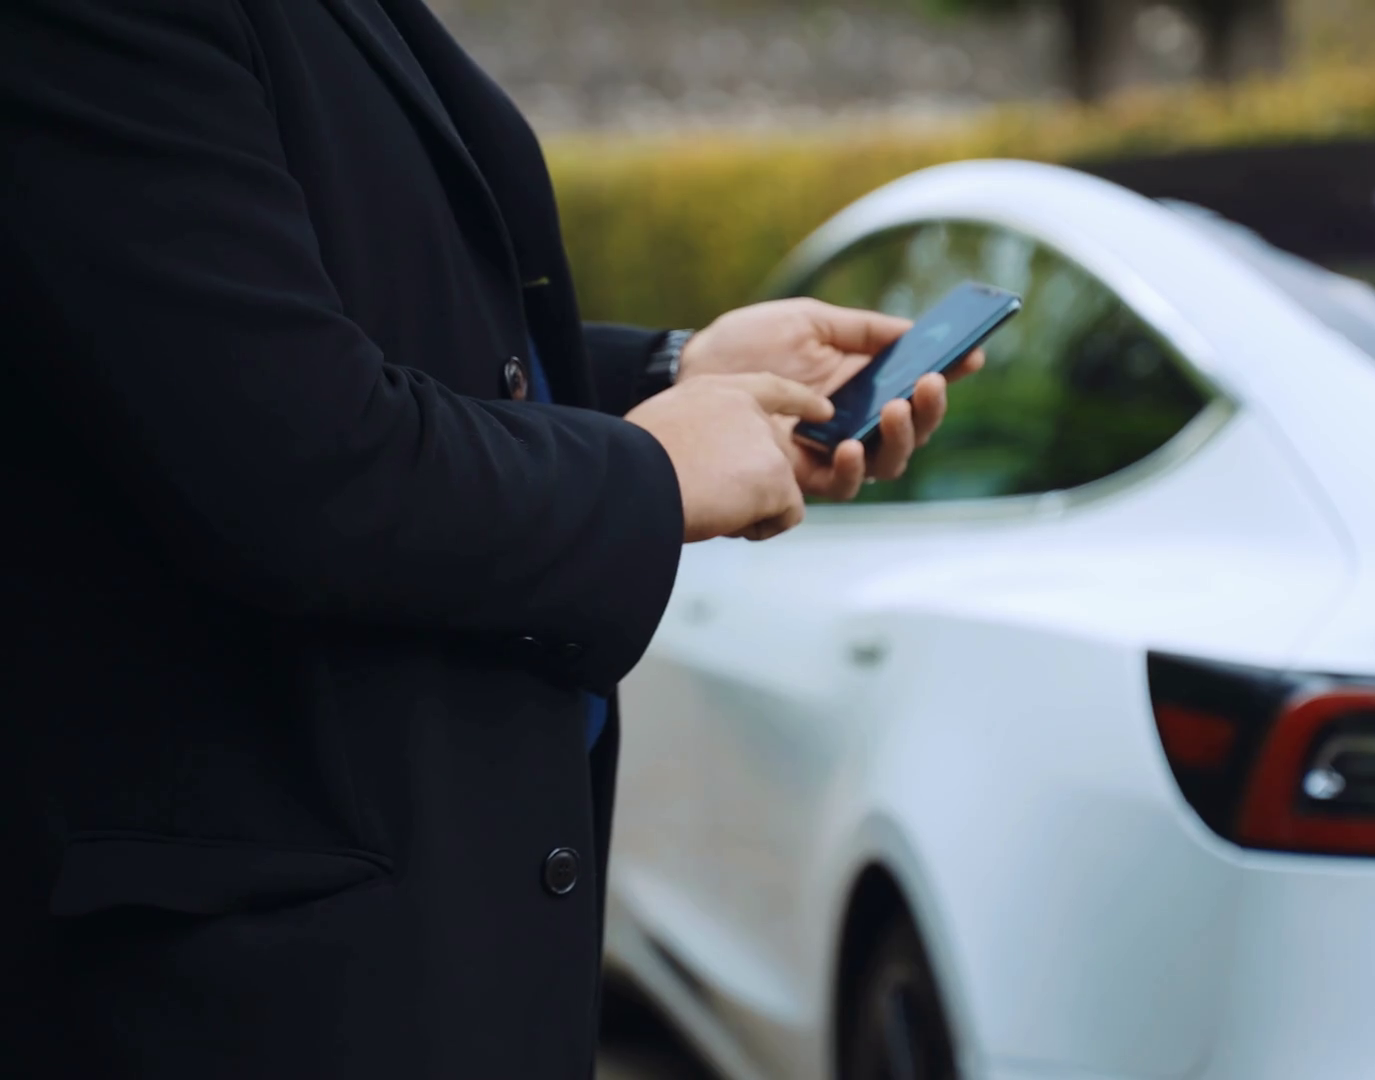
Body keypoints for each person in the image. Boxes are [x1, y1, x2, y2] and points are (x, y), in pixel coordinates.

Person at [0, 0, 980, 1076]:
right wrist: (649, 471)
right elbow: (300, 461)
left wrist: (672, 378)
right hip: (261, 1001)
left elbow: (360, 352)